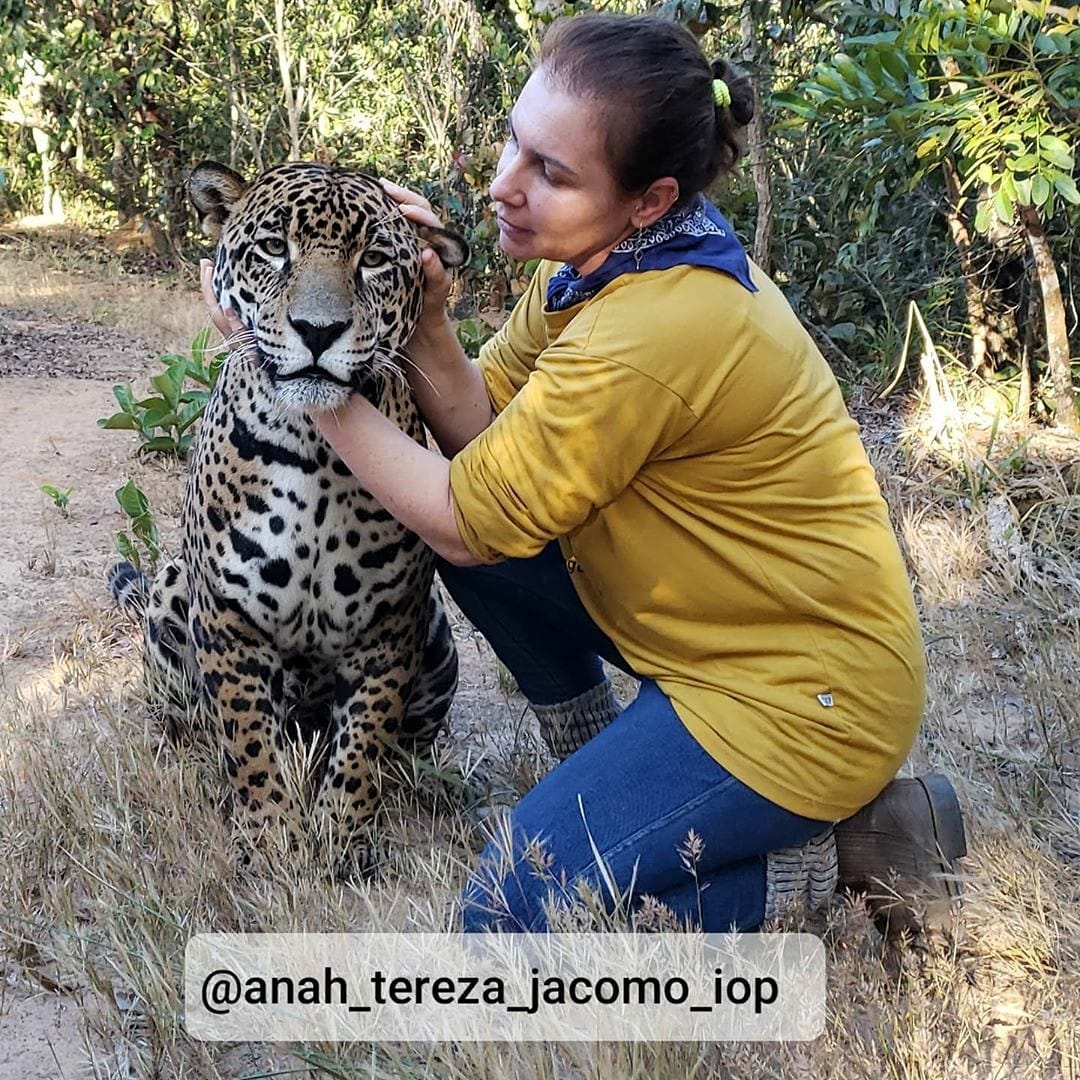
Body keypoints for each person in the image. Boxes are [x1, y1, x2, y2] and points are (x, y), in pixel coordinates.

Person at [202, 13, 966, 941]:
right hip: (711, 635)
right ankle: (599, 762)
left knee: (512, 913)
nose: (503, 187)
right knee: (485, 553)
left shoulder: (649, 331)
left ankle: (844, 855)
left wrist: (290, 362)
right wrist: (430, 319)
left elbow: (458, 519)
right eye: (514, 143)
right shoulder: (600, 263)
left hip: (797, 698)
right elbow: (487, 440)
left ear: (650, 199)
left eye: (551, 174)